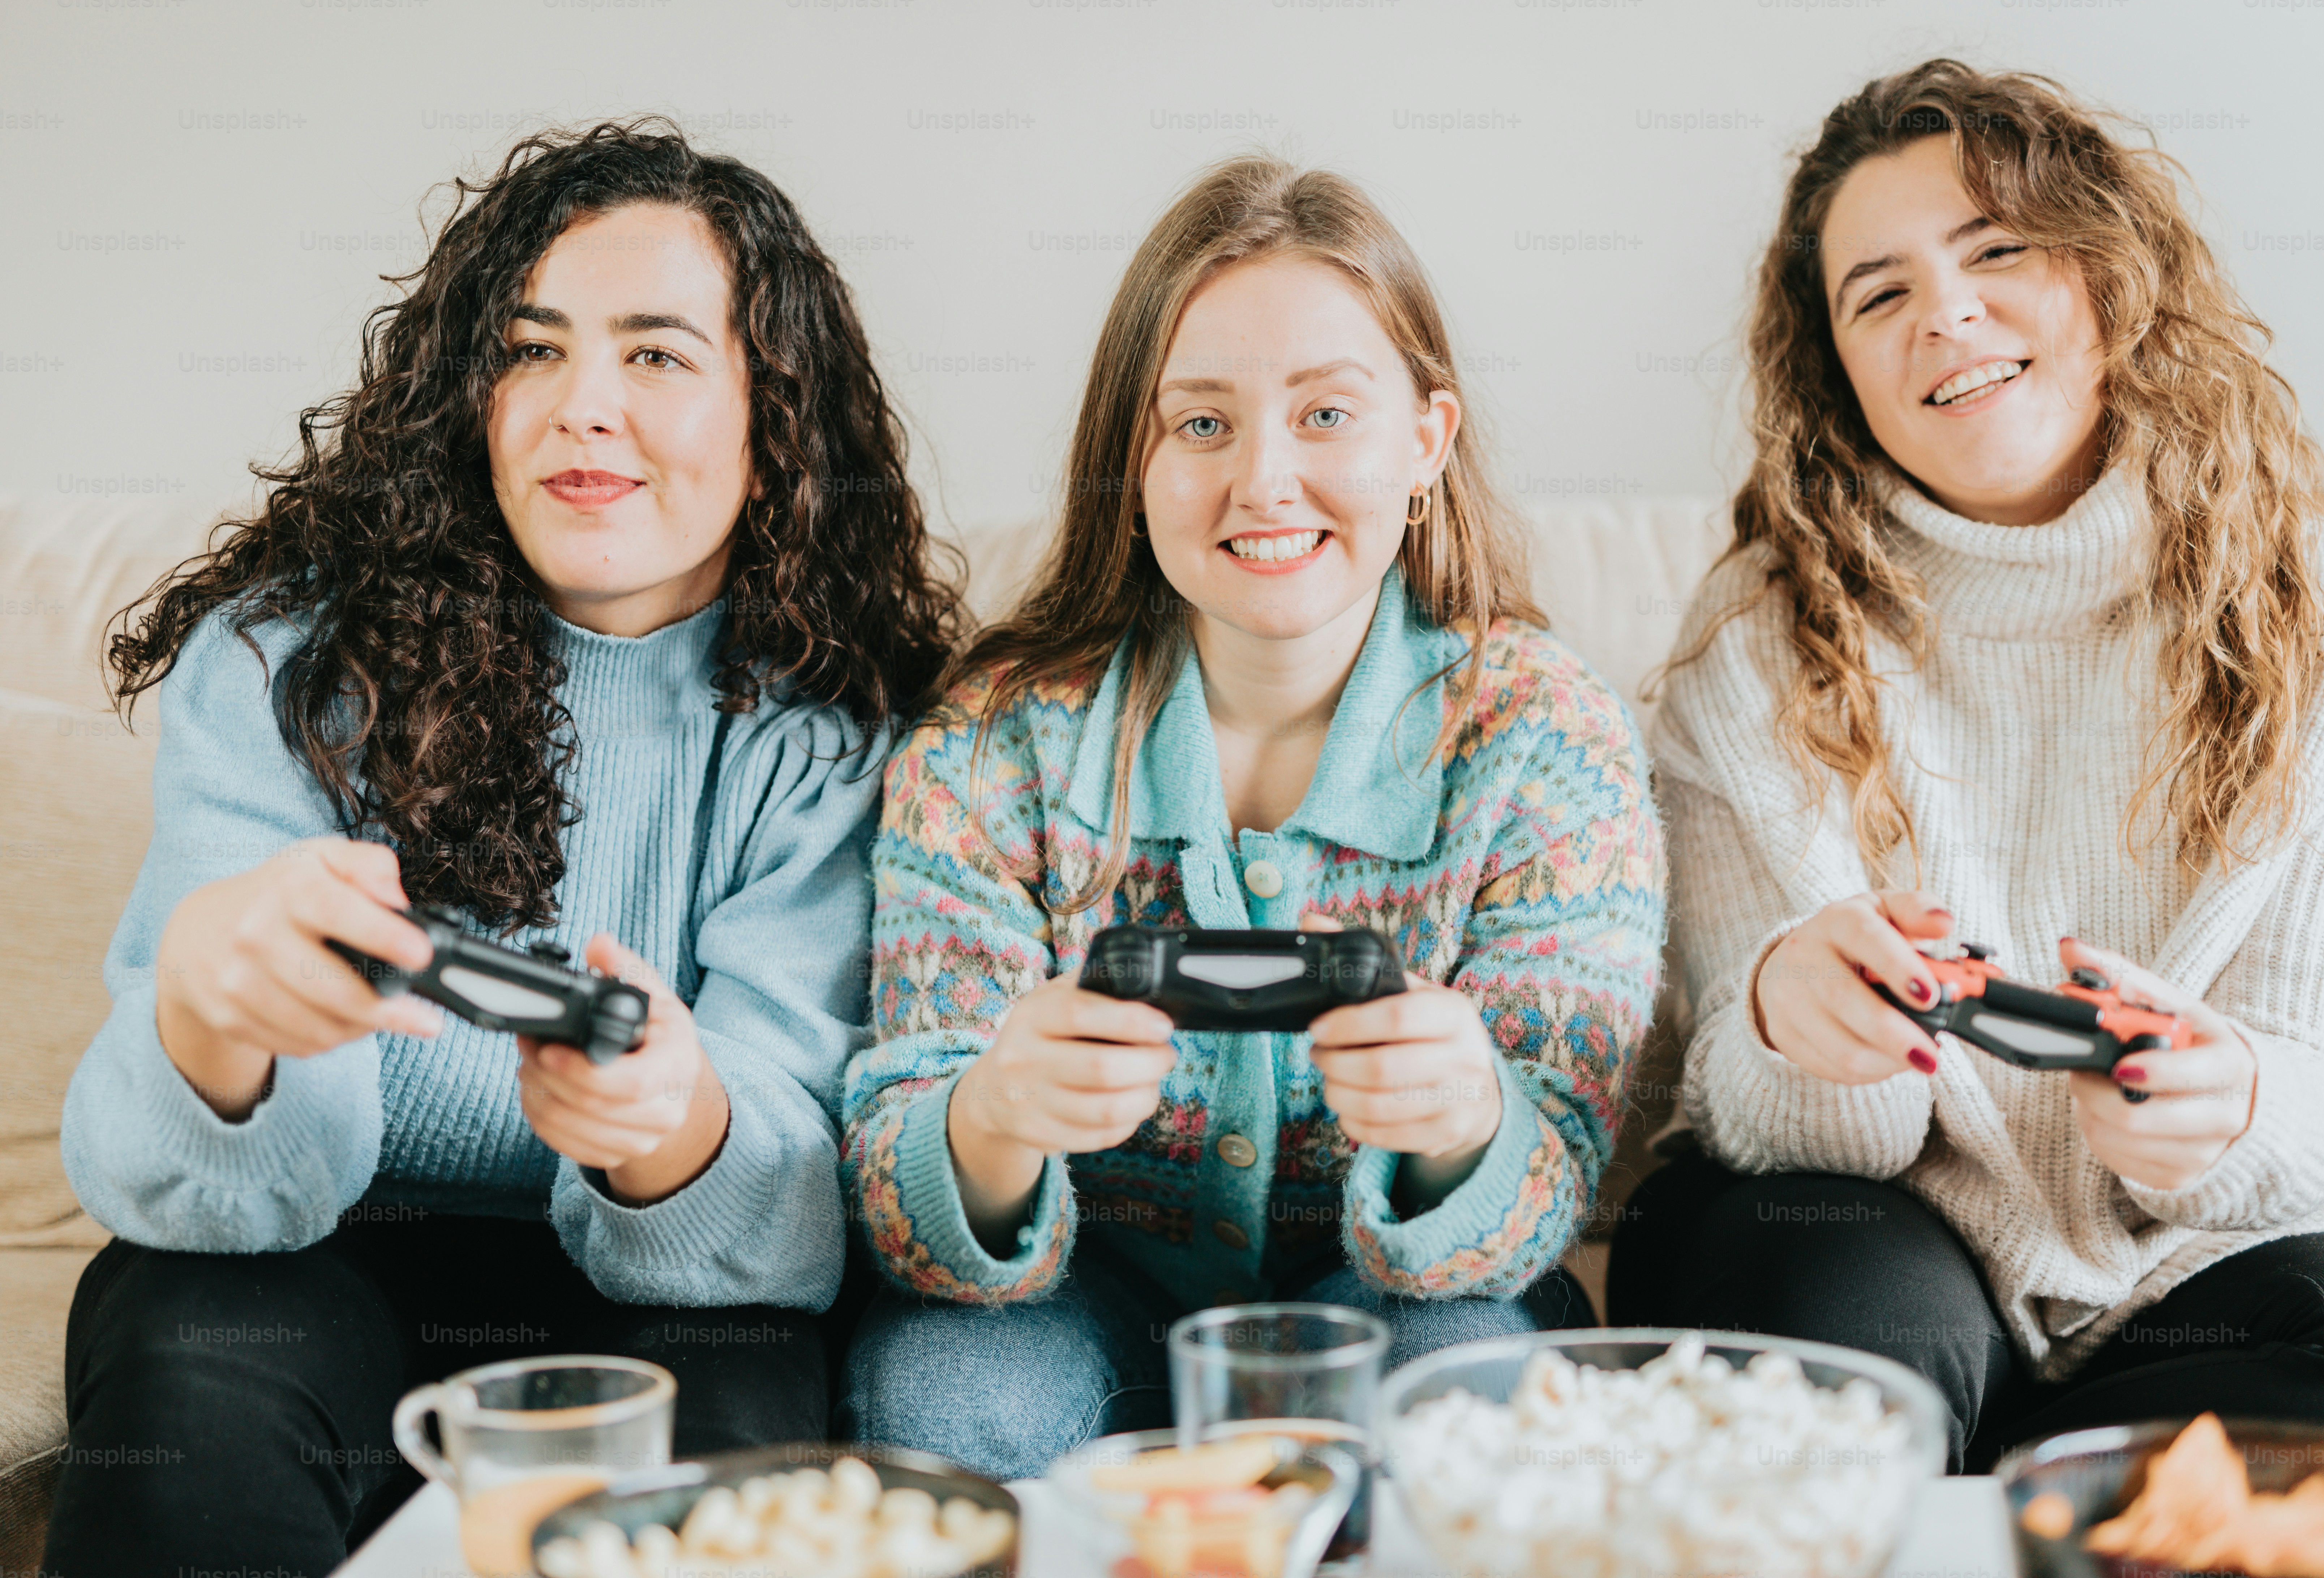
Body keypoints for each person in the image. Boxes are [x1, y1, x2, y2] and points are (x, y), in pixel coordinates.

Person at [47, 120, 959, 1576]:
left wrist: (675, 1122)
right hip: (306, 1260)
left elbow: (783, 1237)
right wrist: (212, 1021)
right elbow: (179, 1197)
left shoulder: (835, 737)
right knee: (188, 1340)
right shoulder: (290, 666)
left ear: (773, 416)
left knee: (737, 1389)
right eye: (531, 351)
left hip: (671, 1295)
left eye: (656, 356)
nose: (580, 408)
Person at [1609, 60, 2324, 1471]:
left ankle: (2058, 1475)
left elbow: (2314, 1104)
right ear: (1838, 369)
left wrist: (2217, 1107)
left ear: (2111, 281)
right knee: (1847, 1352)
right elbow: (1753, 1114)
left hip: (2230, 1242)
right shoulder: (1750, 636)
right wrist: (1801, 1027)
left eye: (1997, 252)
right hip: (1866, 1214)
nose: (1947, 312)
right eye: (1880, 293)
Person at [839, 156, 1665, 1477]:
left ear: (1424, 443)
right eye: (1203, 425)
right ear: (1138, 459)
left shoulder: (1541, 734)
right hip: (1067, 1308)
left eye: (1327, 414)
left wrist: (1466, 1124)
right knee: (947, 1399)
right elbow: (901, 1191)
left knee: (1458, 1383)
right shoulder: (993, 736)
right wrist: (990, 1118)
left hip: (1404, 1297)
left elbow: (1550, 1180)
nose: (1265, 482)